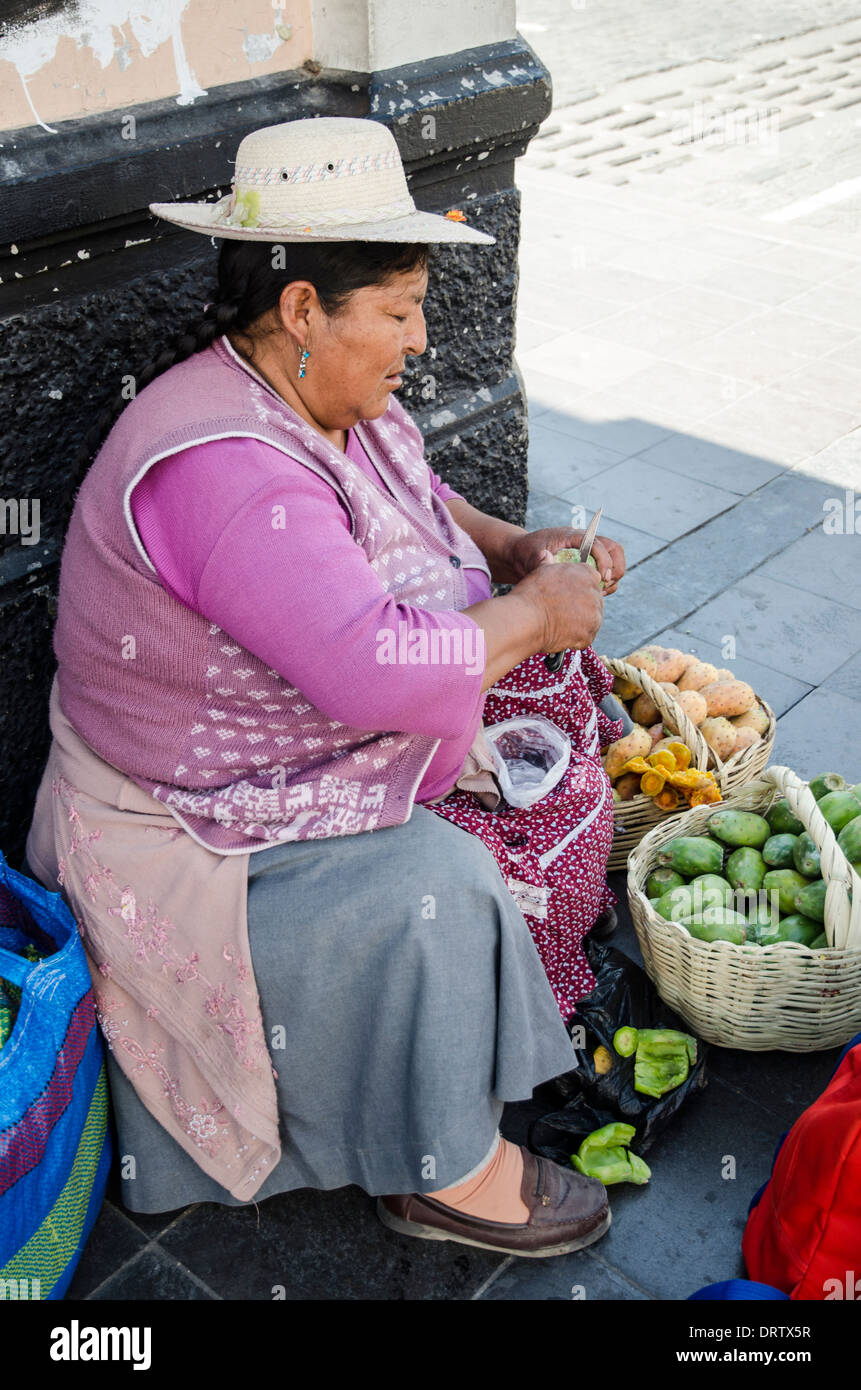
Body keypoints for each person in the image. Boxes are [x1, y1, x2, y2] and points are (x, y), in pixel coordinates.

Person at [24, 116, 626, 1259]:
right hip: (178, 829)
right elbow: (368, 671)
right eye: (396, 310)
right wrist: (538, 614)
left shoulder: (312, 397)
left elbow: (422, 496)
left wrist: (507, 553)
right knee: (437, 881)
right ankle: (446, 1164)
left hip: (266, 767)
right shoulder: (230, 473)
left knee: (547, 733)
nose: (419, 336)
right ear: (304, 310)